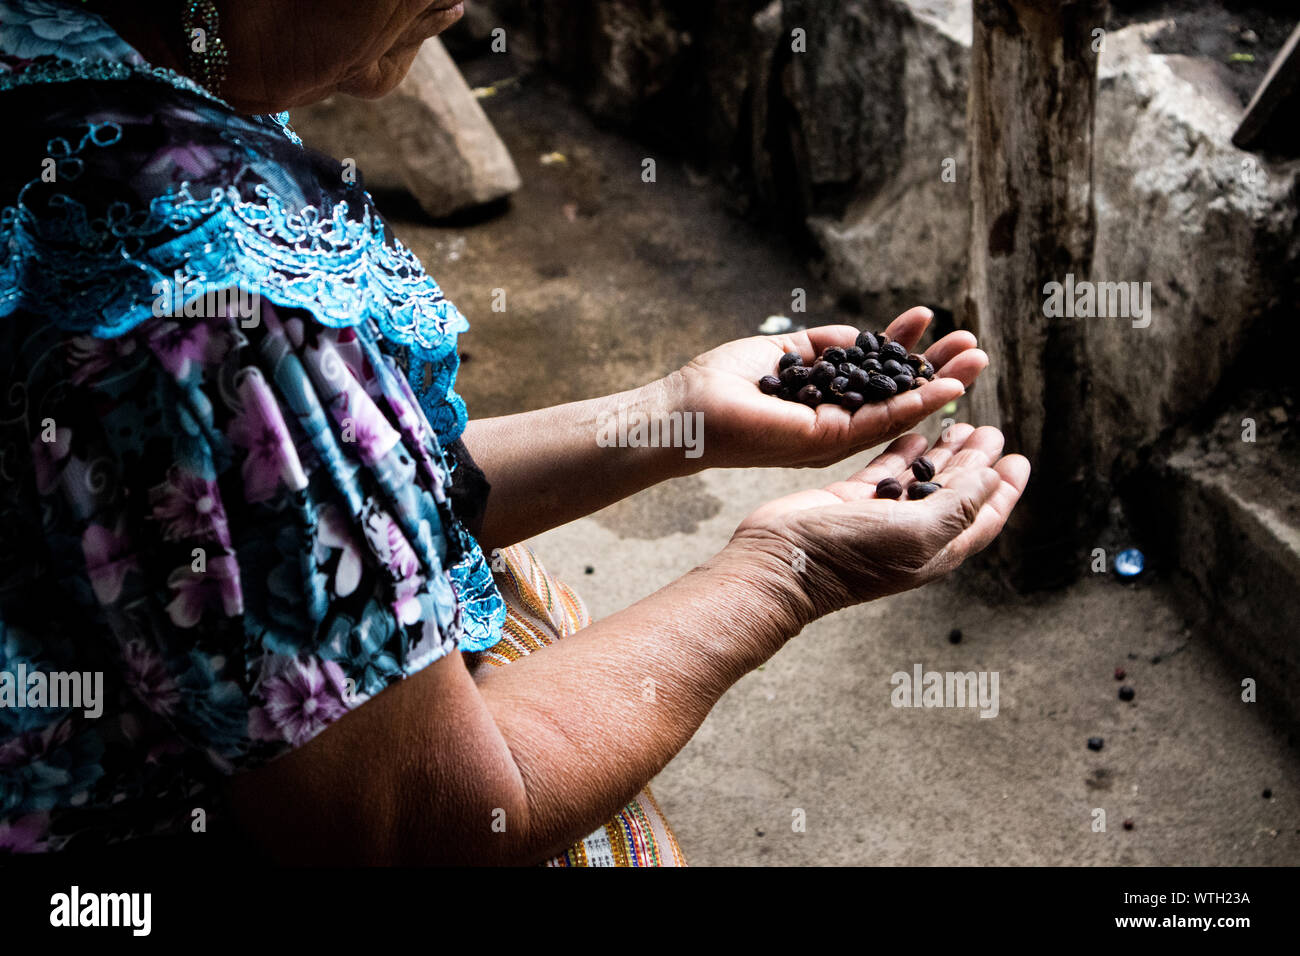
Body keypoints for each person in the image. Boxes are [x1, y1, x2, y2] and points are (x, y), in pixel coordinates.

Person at [0, 0, 1029, 865]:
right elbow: (428, 817)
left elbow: (306, 518)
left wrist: (673, 415)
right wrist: (786, 569)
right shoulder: (215, 300)